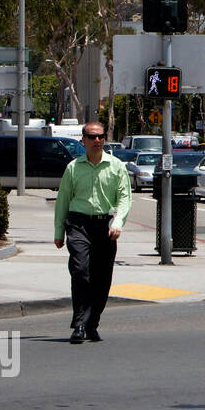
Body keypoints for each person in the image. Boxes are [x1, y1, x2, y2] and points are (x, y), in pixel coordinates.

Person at [54, 122, 131, 343]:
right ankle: (78, 324)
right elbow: (63, 201)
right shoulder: (73, 167)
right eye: (92, 136)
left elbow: (124, 198)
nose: (97, 140)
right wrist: (59, 231)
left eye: (100, 136)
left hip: (105, 226)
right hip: (78, 224)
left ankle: (92, 323)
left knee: (102, 278)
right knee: (80, 271)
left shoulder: (116, 166)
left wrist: (117, 223)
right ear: (84, 140)